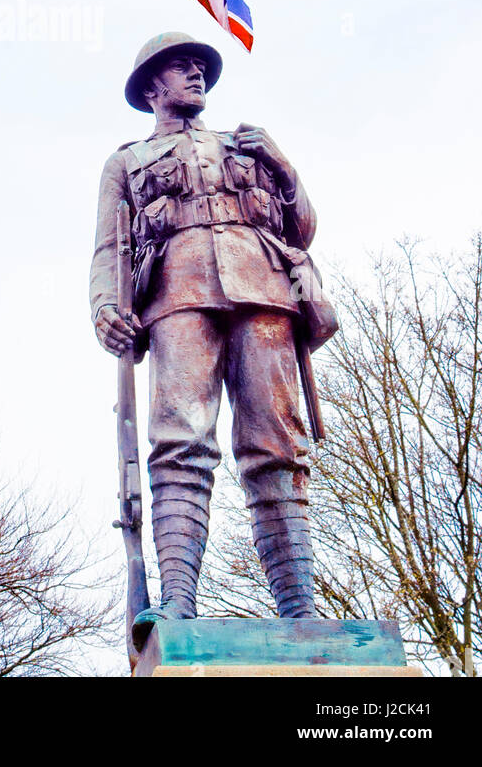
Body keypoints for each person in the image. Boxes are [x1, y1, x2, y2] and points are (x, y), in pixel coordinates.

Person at [90, 32, 336, 645]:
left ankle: (300, 607)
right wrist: (104, 308)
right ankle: (177, 604)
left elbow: (301, 230)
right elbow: (107, 248)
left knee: (277, 446)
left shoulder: (248, 147)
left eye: (201, 67)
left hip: (264, 294)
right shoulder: (126, 161)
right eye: (181, 67)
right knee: (180, 442)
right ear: (153, 88)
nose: (196, 75)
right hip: (176, 296)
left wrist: (283, 164)